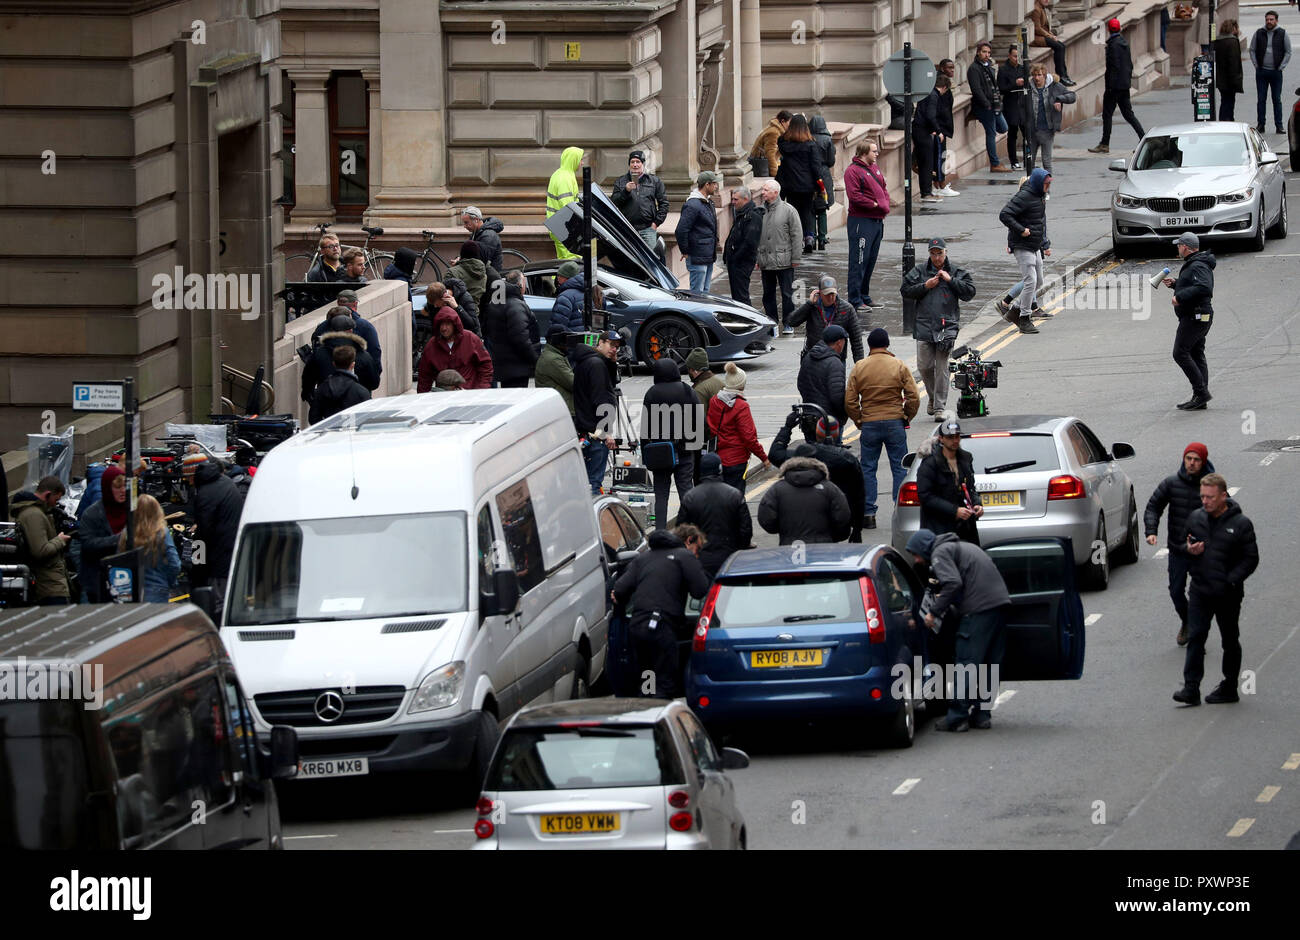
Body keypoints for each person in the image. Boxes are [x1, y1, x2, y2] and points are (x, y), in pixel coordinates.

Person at [905, 528, 1011, 731]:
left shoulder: (939, 552)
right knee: (989, 664)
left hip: (978, 609)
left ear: (923, 549)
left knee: (966, 663)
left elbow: (952, 583)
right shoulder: (962, 546)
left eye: (915, 555)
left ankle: (957, 717)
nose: (917, 560)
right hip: (1000, 605)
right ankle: (982, 715)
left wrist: (933, 612)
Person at [1174, 473, 1258, 706]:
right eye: (1202, 497)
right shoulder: (1196, 518)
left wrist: (1231, 580)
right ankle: (1191, 688)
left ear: (1223, 496)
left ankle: (1229, 686)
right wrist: (1189, 550)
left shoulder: (1241, 524)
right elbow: (1180, 545)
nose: (1205, 501)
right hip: (1200, 590)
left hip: (1228, 594)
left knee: (1229, 640)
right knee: (1197, 637)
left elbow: (1251, 559)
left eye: (1210, 497)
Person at [612, 524, 710, 699]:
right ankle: (660, 717)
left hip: (638, 628)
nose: (697, 554)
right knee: (664, 682)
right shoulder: (684, 556)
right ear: (689, 541)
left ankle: (646, 711)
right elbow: (700, 590)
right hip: (662, 628)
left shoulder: (644, 558)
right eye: (698, 549)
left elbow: (619, 589)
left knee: (647, 678)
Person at [844, 327, 920, 530]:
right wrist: (906, 416)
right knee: (899, 466)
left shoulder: (860, 367)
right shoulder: (898, 365)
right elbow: (914, 396)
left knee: (868, 467)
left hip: (870, 423)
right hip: (895, 422)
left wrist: (859, 420)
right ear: (887, 345)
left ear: (869, 346)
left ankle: (868, 513)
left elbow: (850, 400)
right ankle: (899, 510)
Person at [1145, 442, 1216, 647]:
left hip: (1202, 552)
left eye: (1196, 460)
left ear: (1203, 462)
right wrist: (1151, 531)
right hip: (1178, 549)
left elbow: (1225, 512)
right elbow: (1153, 507)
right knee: (1176, 591)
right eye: (1188, 459)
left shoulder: (1212, 487)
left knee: (1200, 592)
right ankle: (1187, 620)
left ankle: (1198, 626)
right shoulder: (1171, 483)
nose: (1191, 463)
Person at [901, 238, 976, 418]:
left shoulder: (956, 271)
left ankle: (939, 408)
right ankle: (934, 398)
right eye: (933, 254)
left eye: (939, 253)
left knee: (942, 368)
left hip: (946, 326)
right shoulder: (919, 271)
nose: (936, 258)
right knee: (924, 366)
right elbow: (905, 290)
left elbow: (970, 292)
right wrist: (925, 286)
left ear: (946, 252)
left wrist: (951, 281)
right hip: (924, 325)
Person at [769, 421, 866, 543]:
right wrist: (857, 528)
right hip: (830, 533)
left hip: (792, 538)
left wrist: (787, 427)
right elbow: (857, 496)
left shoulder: (781, 486)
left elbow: (775, 454)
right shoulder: (845, 462)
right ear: (837, 434)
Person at [640, 359, 699, 530]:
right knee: (686, 492)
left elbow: (645, 427)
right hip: (685, 450)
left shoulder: (652, 393)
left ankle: (659, 531)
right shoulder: (687, 390)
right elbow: (699, 421)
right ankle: (691, 530)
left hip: (660, 452)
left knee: (661, 495)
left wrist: (646, 454)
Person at [183, 453, 244, 616]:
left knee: (218, 605)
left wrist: (196, 563)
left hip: (220, 556)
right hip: (230, 548)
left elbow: (203, 534)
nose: (188, 482)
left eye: (188, 478)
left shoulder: (205, 494)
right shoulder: (223, 482)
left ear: (194, 475)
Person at [676, 453, 753, 579]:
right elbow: (746, 530)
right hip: (729, 557)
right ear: (720, 469)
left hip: (700, 557)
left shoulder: (690, 497)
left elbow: (680, 531)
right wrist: (739, 549)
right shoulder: (735, 495)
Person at [1161, 232, 1215, 410]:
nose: (1177, 248)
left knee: (1180, 353)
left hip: (1196, 316)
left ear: (1185, 246)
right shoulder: (1196, 263)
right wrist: (1176, 284)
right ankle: (1200, 397)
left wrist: (1180, 297)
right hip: (1197, 315)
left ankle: (1201, 392)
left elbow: (1204, 287)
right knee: (1196, 353)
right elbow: (1195, 284)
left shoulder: (1198, 264)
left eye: (1179, 245)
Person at [998, 167, 1052, 334]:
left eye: (1049, 184)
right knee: (1030, 280)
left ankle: (1015, 310)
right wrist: (1021, 230)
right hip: (1022, 245)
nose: (1048, 187)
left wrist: (1044, 243)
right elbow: (1005, 214)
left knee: (1039, 281)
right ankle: (1024, 318)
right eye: (1046, 184)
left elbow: (1039, 222)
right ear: (1037, 183)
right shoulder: (1024, 196)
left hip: (1034, 245)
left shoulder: (1039, 195)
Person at [757, 452, 852, 545]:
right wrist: (834, 536)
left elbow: (766, 518)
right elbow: (843, 516)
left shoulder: (777, 489)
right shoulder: (830, 488)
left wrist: (783, 530)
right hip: (824, 547)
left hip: (790, 545)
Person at [915, 417, 984, 544]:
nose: (955, 441)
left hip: (965, 530)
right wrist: (954, 511)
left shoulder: (966, 459)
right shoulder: (930, 464)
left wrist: (977, 504)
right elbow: (925, 496)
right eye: (950, 437)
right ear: (941, 439)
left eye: (957, 437)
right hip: (939, 530)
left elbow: (970, 488)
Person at [842, 139, 890, 313]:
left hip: (876, 221)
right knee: (859, 260)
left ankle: (865, 296)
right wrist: (876, 205)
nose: (877, 154)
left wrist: (885, 202)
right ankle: (855, 299)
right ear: (864, 152)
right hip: (861, 221)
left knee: (870, 260)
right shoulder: (852, 171)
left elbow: (883, 188)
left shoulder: (874, 168)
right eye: (874, 151)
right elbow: (854, 196)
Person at [707, 362, 769, 494]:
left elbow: (711, 427)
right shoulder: (741, 406)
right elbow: (749, 438)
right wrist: (763, 457)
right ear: (742, 384)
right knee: (736, 498)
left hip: (718, 457)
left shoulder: (714, 401)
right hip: (737, 460)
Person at [572, 331, 622, 493]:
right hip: (597, 433)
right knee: (593, 484)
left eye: (617, 346)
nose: (614, 349)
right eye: (610, 344)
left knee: (585, 482)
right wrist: (606, 432)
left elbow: (608, 385)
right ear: (600, 343)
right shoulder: (596, 365)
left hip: (586, 429)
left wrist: (612, 363)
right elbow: (602, 398)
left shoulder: (588, 361)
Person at [10, 476, 72, 605]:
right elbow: (40, 550)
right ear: (47, 494)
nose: (56, 504)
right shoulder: (33, 515)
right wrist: (60, 540)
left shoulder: (37, 512)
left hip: (50, 584)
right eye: (56, 499)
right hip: (48, 586)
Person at [1088, 19, 1146, 153]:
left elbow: (1113, 67)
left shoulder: (1113, 45)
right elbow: (1129, 65)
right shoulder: (1124, 43)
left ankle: (1104, 143)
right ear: (1119, 29)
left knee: (1107, 114)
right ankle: (1143, 139)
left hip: (1114, 87)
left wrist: (1110, 87)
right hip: (1124, 85)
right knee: (1128, 114)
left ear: (1109, 30)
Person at [757, 180, 804, 335]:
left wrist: (796, 258)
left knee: (787, 293)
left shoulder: (789, 210)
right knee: (768, 293)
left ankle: (788, 322)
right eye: (762, 190)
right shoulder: (759, 211)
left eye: (765, 190)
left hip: (784, 260)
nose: (762, 192)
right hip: (765, 259)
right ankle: (771, 322)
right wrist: (757, 258)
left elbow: (796, 235)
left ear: (775, 193)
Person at [76, 463, 128, 603]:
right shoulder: (92, 514)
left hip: (127, 579)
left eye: (124, 486)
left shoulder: (131, 511)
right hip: (98, 582)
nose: (123, 491)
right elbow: (87, 544)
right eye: (117, 487)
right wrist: (119, 539)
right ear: (107, 488)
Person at [302, 313, 379, 404]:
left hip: (327, 403)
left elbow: (308, 378)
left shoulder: (319, 353)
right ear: (350, 331)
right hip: (356, 403)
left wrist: (309, 395)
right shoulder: (362, 355)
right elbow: (374, 382)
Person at [775, 114, 827, 251]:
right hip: (807, 184)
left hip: (789, 184)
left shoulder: (783, 143)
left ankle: (796, 240)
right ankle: (809, 238)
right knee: (807, 211)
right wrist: (821, 185)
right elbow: (816, 167)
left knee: (793, 211)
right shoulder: (811, 144)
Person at [788, 276, 865, 365]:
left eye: (833, 294)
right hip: (814, 357)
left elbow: (856, 339)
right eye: (827, 294)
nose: (831, 297)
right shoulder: (812, 306)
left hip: (837, 359)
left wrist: (859, 365)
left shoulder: (847, 309)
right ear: (819, 293)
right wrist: (808, 304)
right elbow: (791, 322)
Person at [481, 270, 539, 388]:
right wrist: (535, 359)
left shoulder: (497, 302)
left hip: (505, 366)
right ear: (520, 284)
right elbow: (521, 338)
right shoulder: (516, 305)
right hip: (517, 367)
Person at [118, 494, 180, 604]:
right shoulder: (161, 532)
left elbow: (119, 562)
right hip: (157, 590)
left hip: (130, 592)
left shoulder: (126, 534)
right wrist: (170, 582)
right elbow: (174, 564)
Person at [416, 307, 493, 392]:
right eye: (441, 324)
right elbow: (424, 376)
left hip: (470, 393)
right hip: (443, 395)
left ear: (454, 324)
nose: (443, 328)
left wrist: (481, 389)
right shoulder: (432, 345)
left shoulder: (471, 339)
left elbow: (486, 366)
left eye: (447, 324)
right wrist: (423, 398)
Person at [311, 291, 383, 378]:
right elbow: (375, 352)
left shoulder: (322, 327)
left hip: (327, 383)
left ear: (338, 303)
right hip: (359, 383)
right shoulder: (365, 327)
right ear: (355, 303)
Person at [611, 150, 669, 251]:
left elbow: (664, 204)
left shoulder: (654, 181)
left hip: (647, 230)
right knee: (629, 261)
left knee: (650, 261)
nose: (635, 165)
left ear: (643, 164)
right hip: (627, 230)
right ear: (629, 164)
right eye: (632, 162)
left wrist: (655, 224)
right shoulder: (621, 181)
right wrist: (626, 191)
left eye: (638, 162)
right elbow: (614, 202)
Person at [675, 171, 723, 293]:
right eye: (715, 184)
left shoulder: (707, 202)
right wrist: (685, 251)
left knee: (705, 292)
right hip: (697, 256)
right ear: (707, 184)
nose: (716, 186)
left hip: (707, 255)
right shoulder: (692, 205)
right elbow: (681, 230)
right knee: (697, 294)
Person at [1023, 64, 1076, 174]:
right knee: (1029, 162)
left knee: (1046, 161)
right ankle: (1031, 187)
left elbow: (1072, 96)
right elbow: (1020, 104)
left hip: (1047, 130)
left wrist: (1060, 99)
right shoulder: (1028, 87)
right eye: (1034, 75)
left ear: (1045, 75)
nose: (1037, 78)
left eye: (1039, 75)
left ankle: (1046, 188)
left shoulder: (1055, 86)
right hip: (1031, 130)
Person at [796, 323, 850, 432]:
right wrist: (843, 416)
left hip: (809, 419)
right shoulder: (835, 363)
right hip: (828, 421)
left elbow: (800, 384)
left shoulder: (808, 357)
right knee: (831, 449)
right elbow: (837, 397)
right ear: (839, 342)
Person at [968, 42, 1011, 172]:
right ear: (978, 52)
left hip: (995, 105)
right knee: (991, 133)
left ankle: (995, 163)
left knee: (1004, 128)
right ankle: (995, 164)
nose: (986, 55)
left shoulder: (989, 66)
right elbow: (976, 89)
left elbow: (994, 85)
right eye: (984, 52)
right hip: (985, 107)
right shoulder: (974, 68)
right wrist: (986, 104)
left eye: (988, 52)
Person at [1249, 11, 1291, 133]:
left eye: (1271, 19)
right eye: (1267, 19)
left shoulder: (1282, 33)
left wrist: (1281, 66)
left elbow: (1288, 51)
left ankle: (1279, 125)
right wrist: (1256, 65)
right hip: (1262, 72)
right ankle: (1261, 124)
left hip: (1276, 72)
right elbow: (1252, 50)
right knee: (1261, 99)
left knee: (1276, 99)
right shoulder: (1259, 33)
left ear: (1276, 20)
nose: (1269, 22)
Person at [722, 186, 764, 308]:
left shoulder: (753, 216)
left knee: (741, 296)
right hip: (735, 262)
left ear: (745, 199)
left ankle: (749, 320)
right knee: (737, 295)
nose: (733, 202)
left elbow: (750, 242)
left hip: (742, 263)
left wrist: (735, 257)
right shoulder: (742, 213)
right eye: (732, 199)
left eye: (736, 199)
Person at [309, 344, 372, 424]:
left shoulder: (322, 389)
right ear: (353, 365)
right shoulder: (362, 392)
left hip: (330, 435)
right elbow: (368, 420)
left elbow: (313, 418)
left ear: (334, 364)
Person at [546, 146, 585, 259]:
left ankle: (557, 278)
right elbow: (568, 206)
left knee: (563, 262)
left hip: (558, 225)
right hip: (564, 228)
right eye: (580, 159)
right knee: (573, 263)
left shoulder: (560, 174)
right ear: (573, 159)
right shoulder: (565, 178)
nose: (581, 163)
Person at [1030, 0, 1077, 87]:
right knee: (1059, 47)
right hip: (1036, 38)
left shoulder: (1042, 8)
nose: (1047, 0)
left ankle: (1065, 75)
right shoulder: (1036, 9)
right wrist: (1049, 36)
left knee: (1061, 46)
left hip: (1043, 36)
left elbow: (1045, 27)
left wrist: (1051, 35)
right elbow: (1037, 28)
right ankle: (1061, 76)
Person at [998, 45, 1030, 170]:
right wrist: (1014, 83)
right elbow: (1001, 88)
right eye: (1014, 56)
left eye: (1018, 56)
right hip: (1011, 105)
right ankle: (1014, 161)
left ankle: (1028, 158)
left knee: (1027, 133)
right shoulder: (1003, 70)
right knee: (1012, 133)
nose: (1016, 59)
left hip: (1023, 104)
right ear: (1009, 56)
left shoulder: (1023, 68)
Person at [444, 241, 500, 312]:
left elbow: (444, 297)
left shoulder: (453, 272)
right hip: (474, 315)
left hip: (455, 314)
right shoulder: (484, 274)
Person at [912, 79, 944, 202]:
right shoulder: (934, 95)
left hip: (920, 130)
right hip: (922, 131)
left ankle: (926, 191)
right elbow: (930, 115)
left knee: (924, 161)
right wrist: (938, 130)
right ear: (944, 87)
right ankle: (926, 193)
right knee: (926, 163)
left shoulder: (927, 93)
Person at [808, 115, 836, 250]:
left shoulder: (808, 139)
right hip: (824, 174)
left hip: (809, 175)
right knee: (822, 207)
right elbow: (831, 161)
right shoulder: (827, 140)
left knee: (811, 208)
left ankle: (811, 237)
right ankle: (822, 238)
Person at [932, 66, 959, 197]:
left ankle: (939, 184)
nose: (952, 70)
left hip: (941, 128)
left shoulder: (937, 93)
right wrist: (938, 130)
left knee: (940, 157)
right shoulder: (936, 95)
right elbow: (935, 114)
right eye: (949, 67)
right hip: (939, 129)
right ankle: (939, 185)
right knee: (939, 158)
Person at [535, 327, 575, 415]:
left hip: (559, 408)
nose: (568, 344)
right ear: (558, 341)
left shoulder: (555, 354)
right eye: (565, 340)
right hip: (561, 410)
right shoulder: (554, 359)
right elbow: (574, 384)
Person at [1213, 20, 1245, 122]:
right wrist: (1235, 80)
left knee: (1225, 101)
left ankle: (1224, 119)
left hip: (1220, 78)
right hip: (1230, 79)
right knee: (1229, 102)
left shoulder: (1218, 41)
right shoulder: (1233, 41)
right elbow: (1233, 62)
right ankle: (1227, 120)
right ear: (1234, 28)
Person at [748, 109, 792, 176]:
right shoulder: (774, 132)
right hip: (762, 167)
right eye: (790, 123)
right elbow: (770, 154)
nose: (790, 126)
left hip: (763, 166)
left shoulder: (775, 129)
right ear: (783, 121)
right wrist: (775, 173)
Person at [461, 206, 504, 272]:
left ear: (476, 220)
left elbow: (481, 259)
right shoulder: (476, 231)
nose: (464, 226)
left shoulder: (488, 235)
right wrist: (459, 259)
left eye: (466, 222)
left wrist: (461, 262)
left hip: (488, 274)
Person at [549, 260, 588, 334]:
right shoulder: (590, 292)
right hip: (588, 340)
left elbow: (558, 327)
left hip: (571, 342)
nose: (557, 278)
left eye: (559, 275)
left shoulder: (565, 297)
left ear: (565, 277)